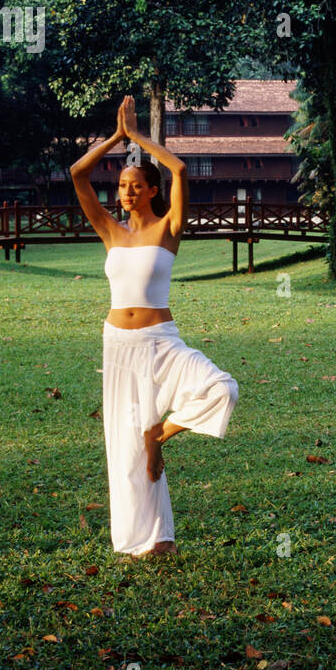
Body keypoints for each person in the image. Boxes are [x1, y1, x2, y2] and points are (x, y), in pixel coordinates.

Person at [70, 96, 238, 558]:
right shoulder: (110, 231)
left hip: (161, 341)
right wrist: (114, 139)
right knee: (123, 450)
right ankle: (151, 540)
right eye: (122, 185)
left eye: (134, 184)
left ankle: (159, 435)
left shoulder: (169, 227)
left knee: (223, 388)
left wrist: (140, 138)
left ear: (149, 190)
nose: (125, 192)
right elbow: (77, 174)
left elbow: (180, 170)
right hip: (117, 344)